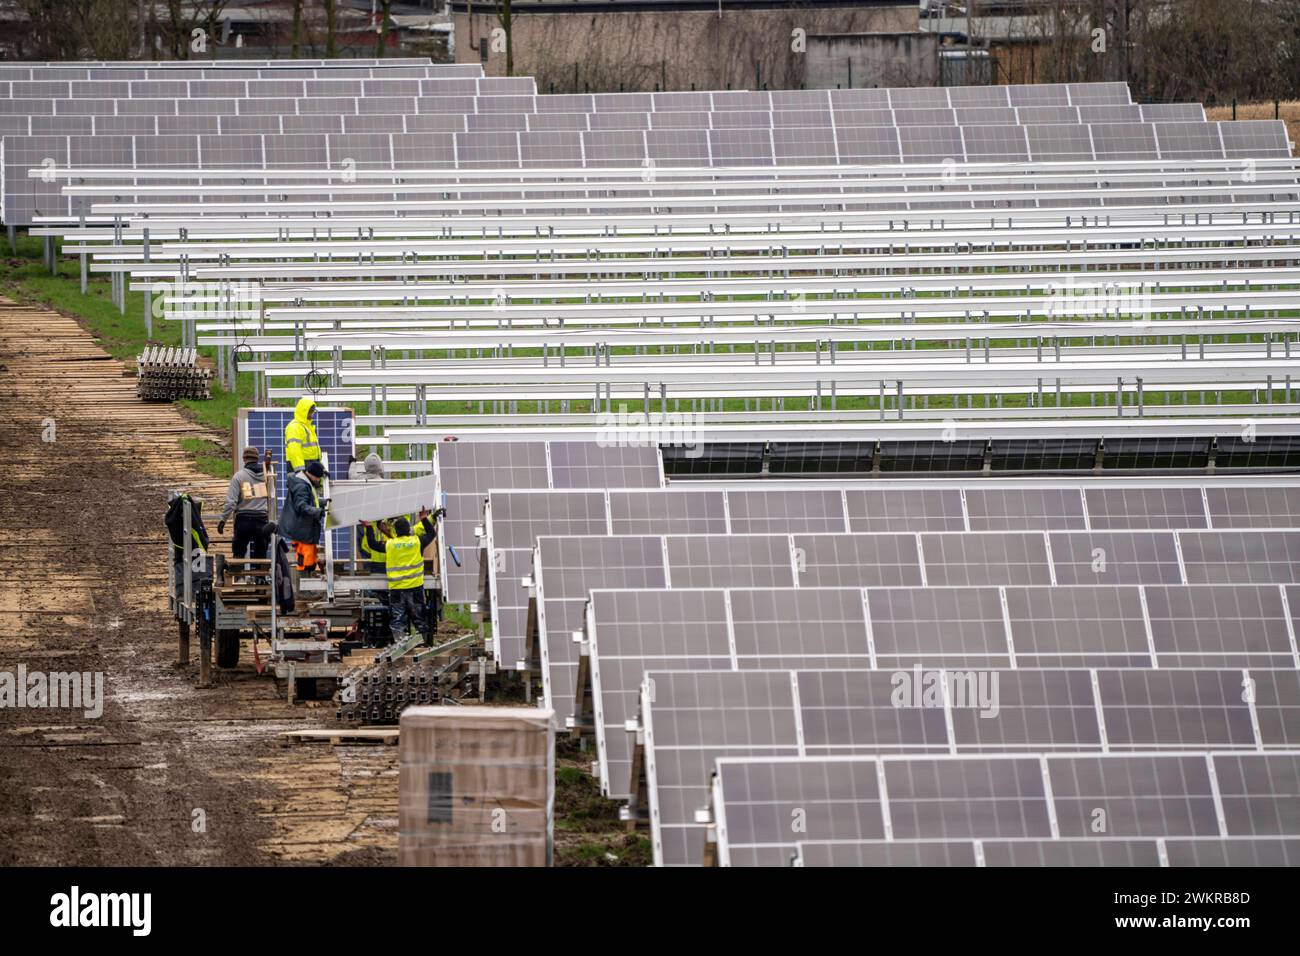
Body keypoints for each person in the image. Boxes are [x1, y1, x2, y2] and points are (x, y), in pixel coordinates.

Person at [385, 511, 438, 643]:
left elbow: (373, 544)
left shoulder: (390, 544)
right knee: (419, 617)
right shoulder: (417, 542)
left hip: (396, 589)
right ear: (409, 529)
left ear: (396, 531)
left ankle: (400, 644)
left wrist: (369, 528)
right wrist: (425, 519)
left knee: (397, 619)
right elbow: (432, 534)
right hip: (415, 588)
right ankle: (425, 644)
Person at [217, 446, 269, 564]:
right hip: (262, 519)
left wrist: (222, 520)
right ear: (257, 458)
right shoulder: (267, 476)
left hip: (243, 520)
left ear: (244, 459)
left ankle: (238, 576)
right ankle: (260, 578)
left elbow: (231, 502)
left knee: (238, 552)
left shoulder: (239, 476)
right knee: (261, 553)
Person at [280, 460, 328, 575]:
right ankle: (304, 590)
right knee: (306, 562)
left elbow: (310, 501)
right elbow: (301, 506)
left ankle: (306, 587)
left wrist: (323, 503)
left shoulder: (304, 483)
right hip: (302, 531)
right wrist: (319, 512)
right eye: (318, 478)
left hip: (302, 530)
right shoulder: (302, 486)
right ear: (314, 475)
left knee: (308, 560)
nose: (319, 481)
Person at [284, 396, 320, 473]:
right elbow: (294, 450)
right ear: (304, 411)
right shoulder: (294, 427)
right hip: (301, 467)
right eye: (311, 411)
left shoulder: (307, 426)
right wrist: (300, 470)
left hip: (309, 465)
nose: (312, 414)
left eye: (313, 411)